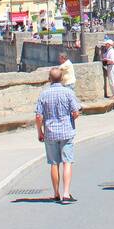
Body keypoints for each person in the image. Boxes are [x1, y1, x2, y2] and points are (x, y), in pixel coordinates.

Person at [35, 66, 81, 204]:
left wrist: (40, 132)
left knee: (54, 163)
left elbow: (38, 116)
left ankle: (56, 193)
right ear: (61, 78)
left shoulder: (43, 94)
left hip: (50, 132)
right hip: (66, 131)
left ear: (49, 79)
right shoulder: (68, 93)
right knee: (67, 162)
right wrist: (71, 119)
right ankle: (66, 193)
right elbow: (76, 112)